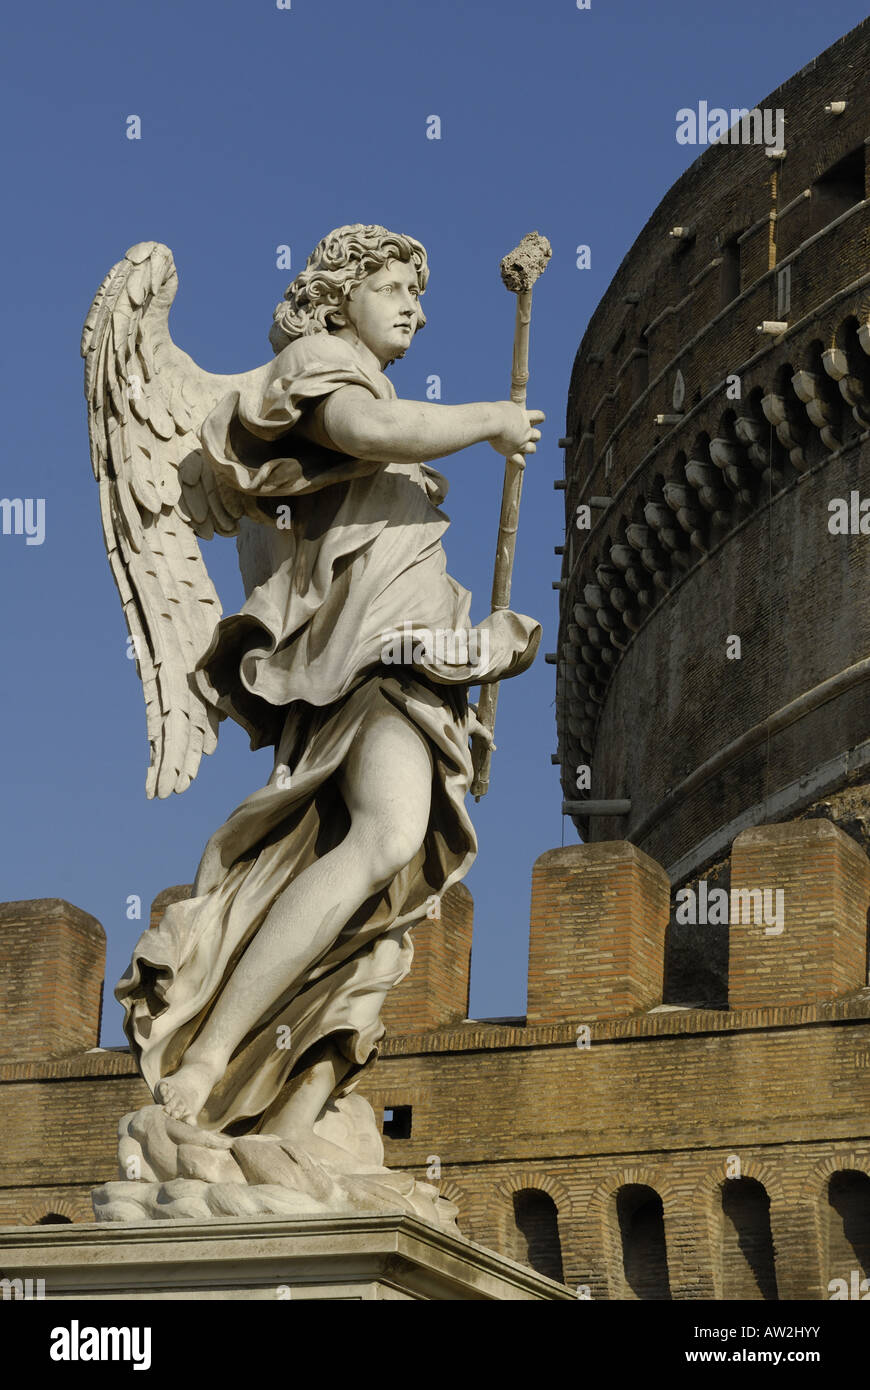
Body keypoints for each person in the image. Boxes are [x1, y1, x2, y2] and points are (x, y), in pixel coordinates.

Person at [117, 224, 544, 1160]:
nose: (414, 308)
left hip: (406, 667)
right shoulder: (314, 369)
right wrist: (488, 420)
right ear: (336, 293)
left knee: (389, 899)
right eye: (392, 286)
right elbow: (362, 433)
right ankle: (207, 1060)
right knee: (387, 841)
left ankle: (286, 1112)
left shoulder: (376, 392)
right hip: (358, 665)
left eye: (418, 295)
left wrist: (478, 651)